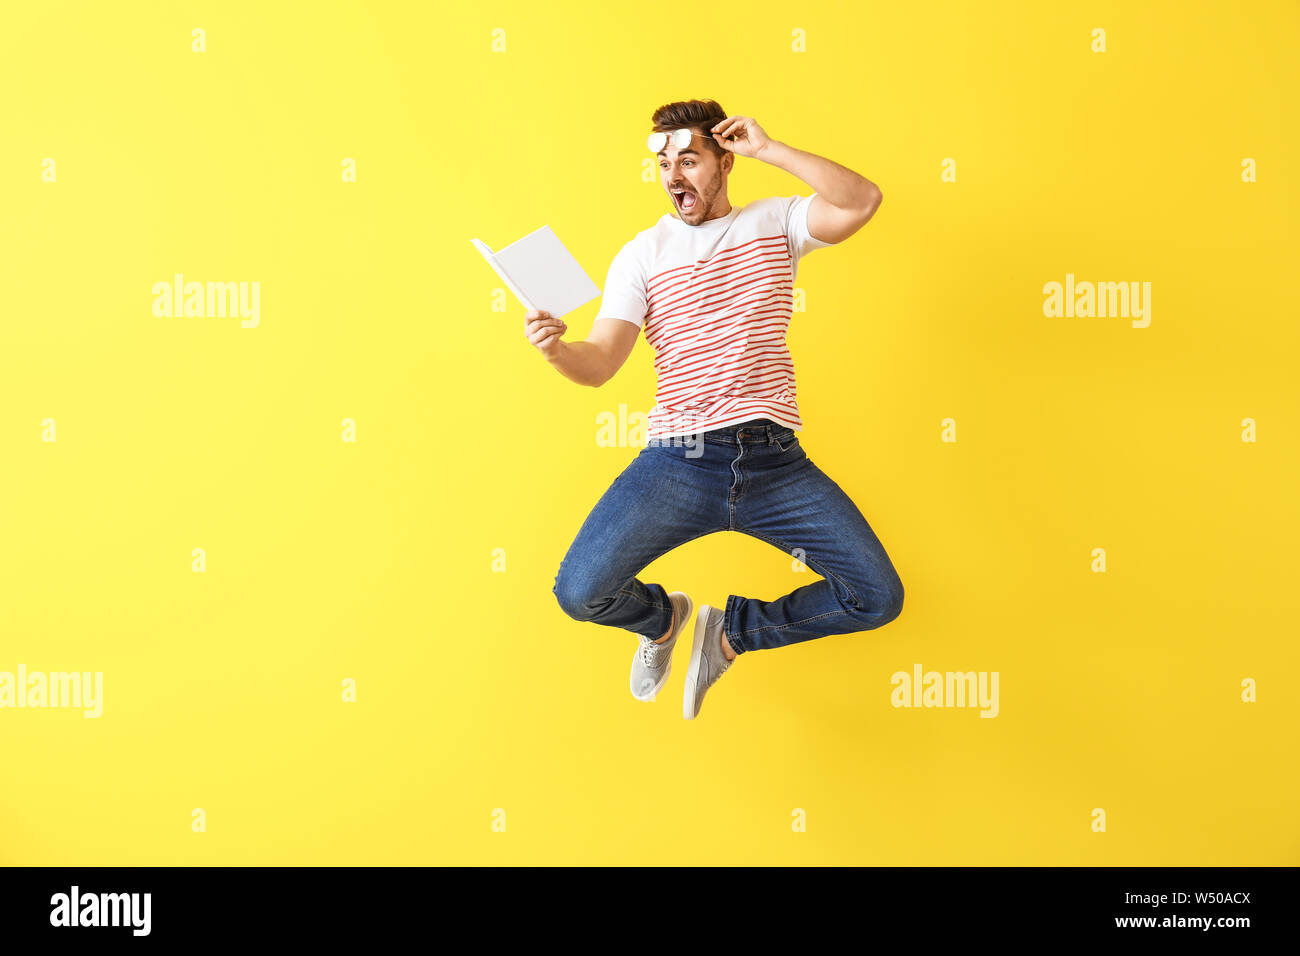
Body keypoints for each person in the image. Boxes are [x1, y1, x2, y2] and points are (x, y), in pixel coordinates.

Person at [525, 98, 903, 720]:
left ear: (725, 161)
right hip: (679, 463)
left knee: (876, 597)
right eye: (664, 162)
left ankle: (732, 633)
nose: (674, 174)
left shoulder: (778, 222)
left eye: (690, 158)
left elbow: (861, 200)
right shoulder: (641, 254)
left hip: (776, 466)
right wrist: (556, 349)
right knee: (581, 591)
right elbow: (598, 365)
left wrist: (770, 149)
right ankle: (662, 621)